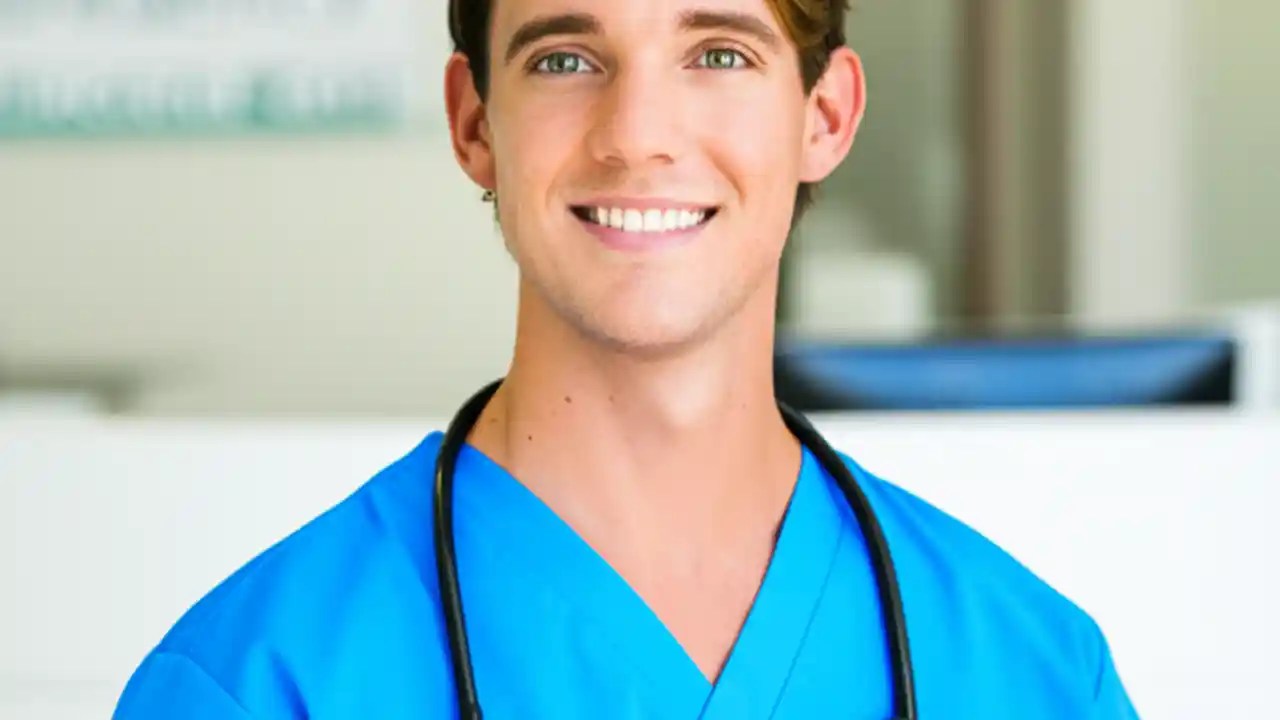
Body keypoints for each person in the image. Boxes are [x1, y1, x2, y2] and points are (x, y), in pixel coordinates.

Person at [114, 0, 1140, 717]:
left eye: (719, 53)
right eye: (564, 57)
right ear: (475, 124)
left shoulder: (1031, 671)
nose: (637, 135)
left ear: (822, 117)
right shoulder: (259, 681)